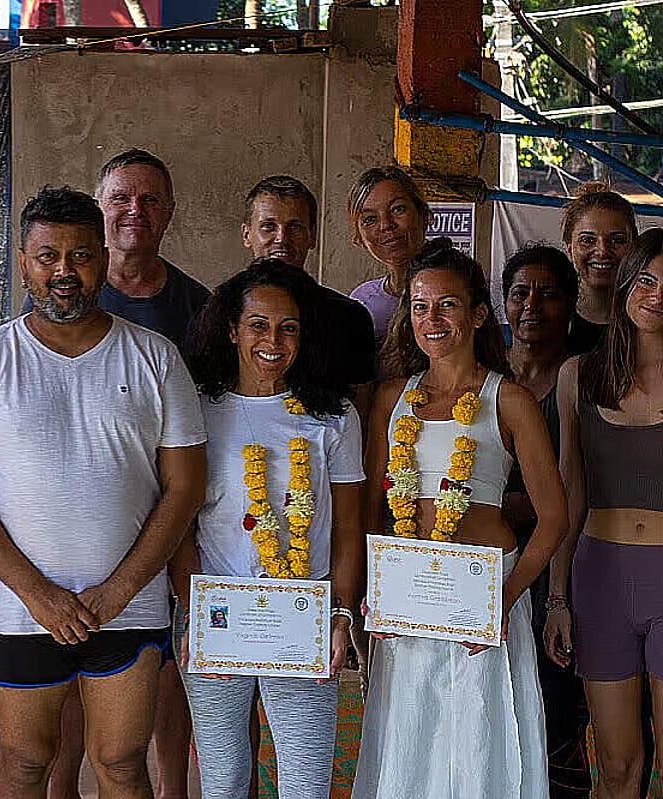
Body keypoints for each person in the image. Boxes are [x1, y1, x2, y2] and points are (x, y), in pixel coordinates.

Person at [0, 185, 207, 799]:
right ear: (23, 262)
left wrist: (120, 589)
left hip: (128, 605)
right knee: (25, 765)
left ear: (104, 259)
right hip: (21, 608)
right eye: (47, 256)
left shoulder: (155, 358)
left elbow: (185, 488)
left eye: (81, 256)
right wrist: (39, 596)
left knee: (121, 765)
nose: (64, 272)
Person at [17, 148, 208, 799]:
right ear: (100, 215)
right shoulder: (41, 306)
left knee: (162, 686)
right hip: (54, 557)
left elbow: (194, 453)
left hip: (165, 535)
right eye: (121, 198)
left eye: (150, 199)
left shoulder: (196, 311)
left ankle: (174, 785)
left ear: (170, 213)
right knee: (56, 719)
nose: (135, 211)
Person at [353, 238, 565, 798]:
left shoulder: (509, 400)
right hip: (409, 604)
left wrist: (505, 599)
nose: (432, 319)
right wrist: (376, 588)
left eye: (447, 305)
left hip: (484, 600)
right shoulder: (390, 398)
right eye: (420, 306)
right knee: (410, 744)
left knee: (478, 747)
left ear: (476, 314)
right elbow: (372, 509)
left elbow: (553, 518)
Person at [173, 260, 364, 798]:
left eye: (288, 328)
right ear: (232, 329)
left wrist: (342, 615)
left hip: (305, 619)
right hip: (217, 616)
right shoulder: (196, 410)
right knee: (224, 780)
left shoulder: (333, 416)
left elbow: (348, 527)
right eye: (258, 324)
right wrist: (191, 614)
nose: (273, 341)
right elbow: (178, 525)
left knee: (305, 782)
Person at [542, 228, 663, 799]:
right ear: (625, 284)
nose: (657, 294)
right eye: (646, 279)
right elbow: (569, 494)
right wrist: (558, 598)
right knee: (616, 769)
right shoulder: (579, 375)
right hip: (601, 578)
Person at [498, 243, 589, 798]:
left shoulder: (584, 378)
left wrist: (525, 505)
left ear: (572, 306)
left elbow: (584, 482)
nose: (532, 305)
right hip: (489, 566)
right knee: (497, 704)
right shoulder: (482, 375)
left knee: (556, 706)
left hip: (562, 566)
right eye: (519, 293)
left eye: (549, 294)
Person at [242, 175, 376, 392]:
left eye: (294, 227)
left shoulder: (350, 318)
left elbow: (361, 407)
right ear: (247, 234)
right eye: (268, 226)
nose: (281, 238)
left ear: (312, 236)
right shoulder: (223, 311)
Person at [346, 166, 432, 358]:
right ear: (358, 237)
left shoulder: (457, 288)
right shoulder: (362, 302)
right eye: (370, 219)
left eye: (398, 209)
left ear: (424, 215)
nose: (386, 225)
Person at [559, 183, 637, 354]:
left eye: (617, 240)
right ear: (570, 249)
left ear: (634, 247)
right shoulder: (553, 321)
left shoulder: (650, 321)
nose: (602, 251)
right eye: (588, 240)